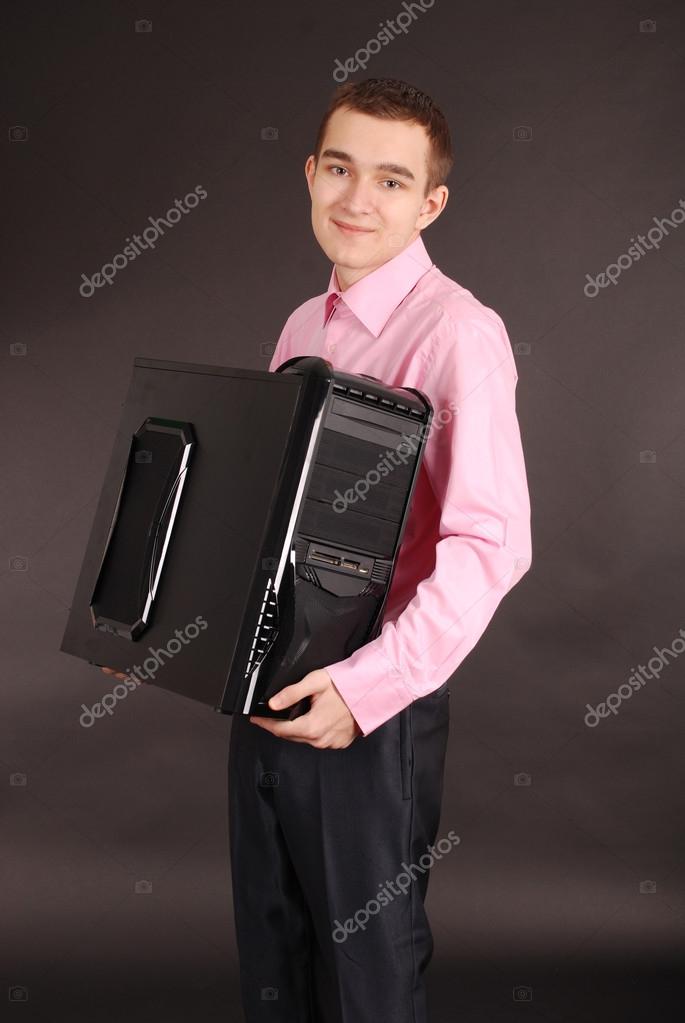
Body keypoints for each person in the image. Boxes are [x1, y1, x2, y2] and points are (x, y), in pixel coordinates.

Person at [104, 77, 532, 1022]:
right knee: (273, 941)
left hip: (371, 704)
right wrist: (167, 631)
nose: (355, 200)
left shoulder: (461, 333)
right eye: (339, 168)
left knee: (368, 967)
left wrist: (365, 689)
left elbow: (489, 543)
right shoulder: (305, 324)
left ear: (430, 204)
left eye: (389, 180)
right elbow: (263, 520)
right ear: (309, 174)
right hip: (266, 689)